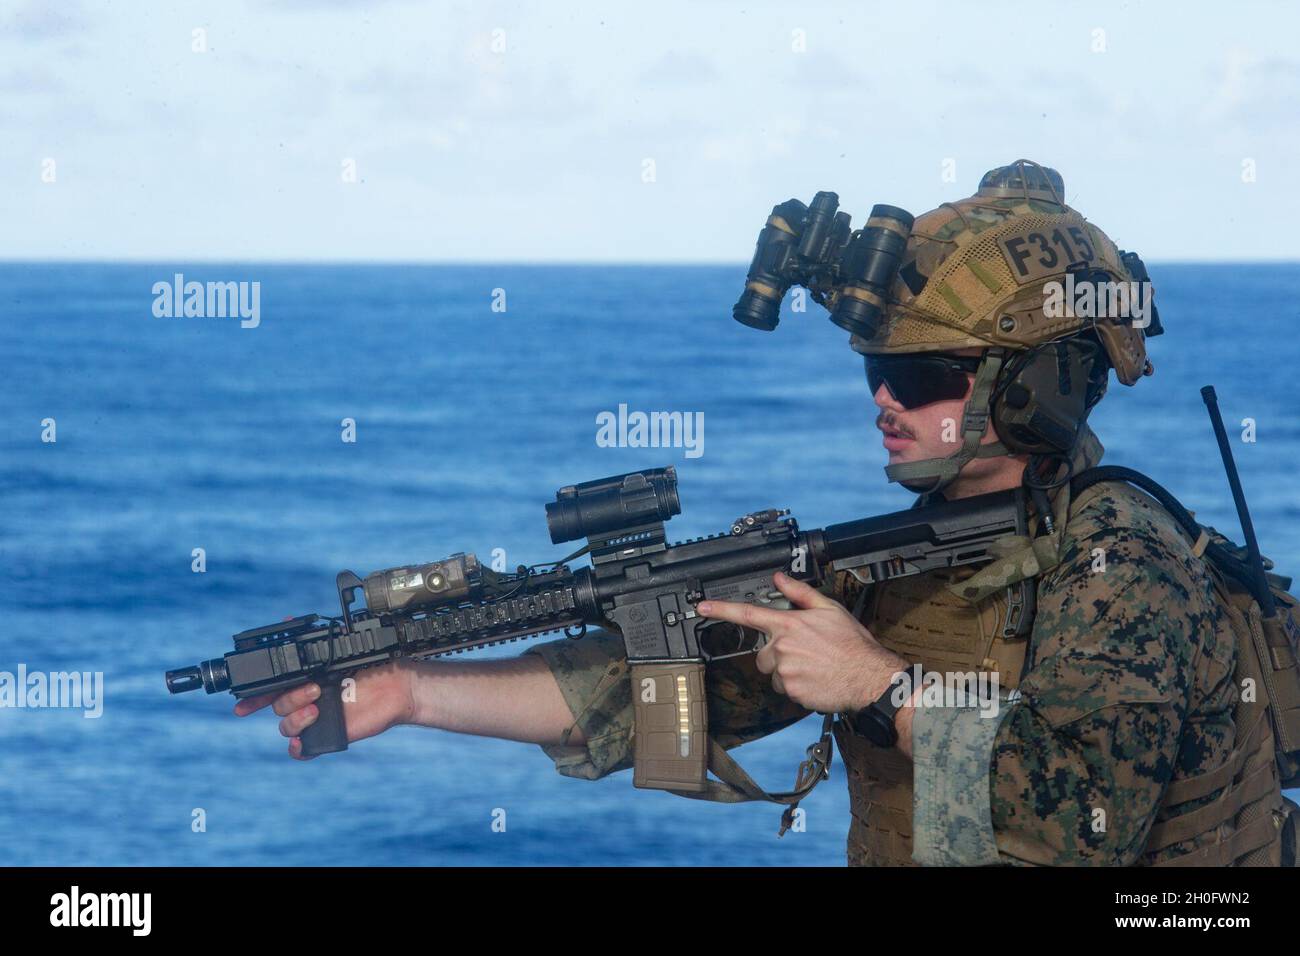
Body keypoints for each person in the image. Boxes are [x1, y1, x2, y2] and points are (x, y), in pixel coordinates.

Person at [236, 161, 1294, 866]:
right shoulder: (908, 559)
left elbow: (1084, 822)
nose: (886, 397)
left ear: (1031, 387)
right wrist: (407, 688)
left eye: (922, 372)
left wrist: (877, 687)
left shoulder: (1121, 565)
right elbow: (653, 695)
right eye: (878, 368)